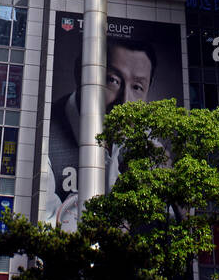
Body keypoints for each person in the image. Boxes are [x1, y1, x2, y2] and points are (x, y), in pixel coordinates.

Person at [46, 36, 157, 229]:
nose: (124, 102)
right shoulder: (44, 135)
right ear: (80, 73)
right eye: (113, 80)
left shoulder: (148, 145)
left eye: (137, 87)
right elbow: (45, 230)